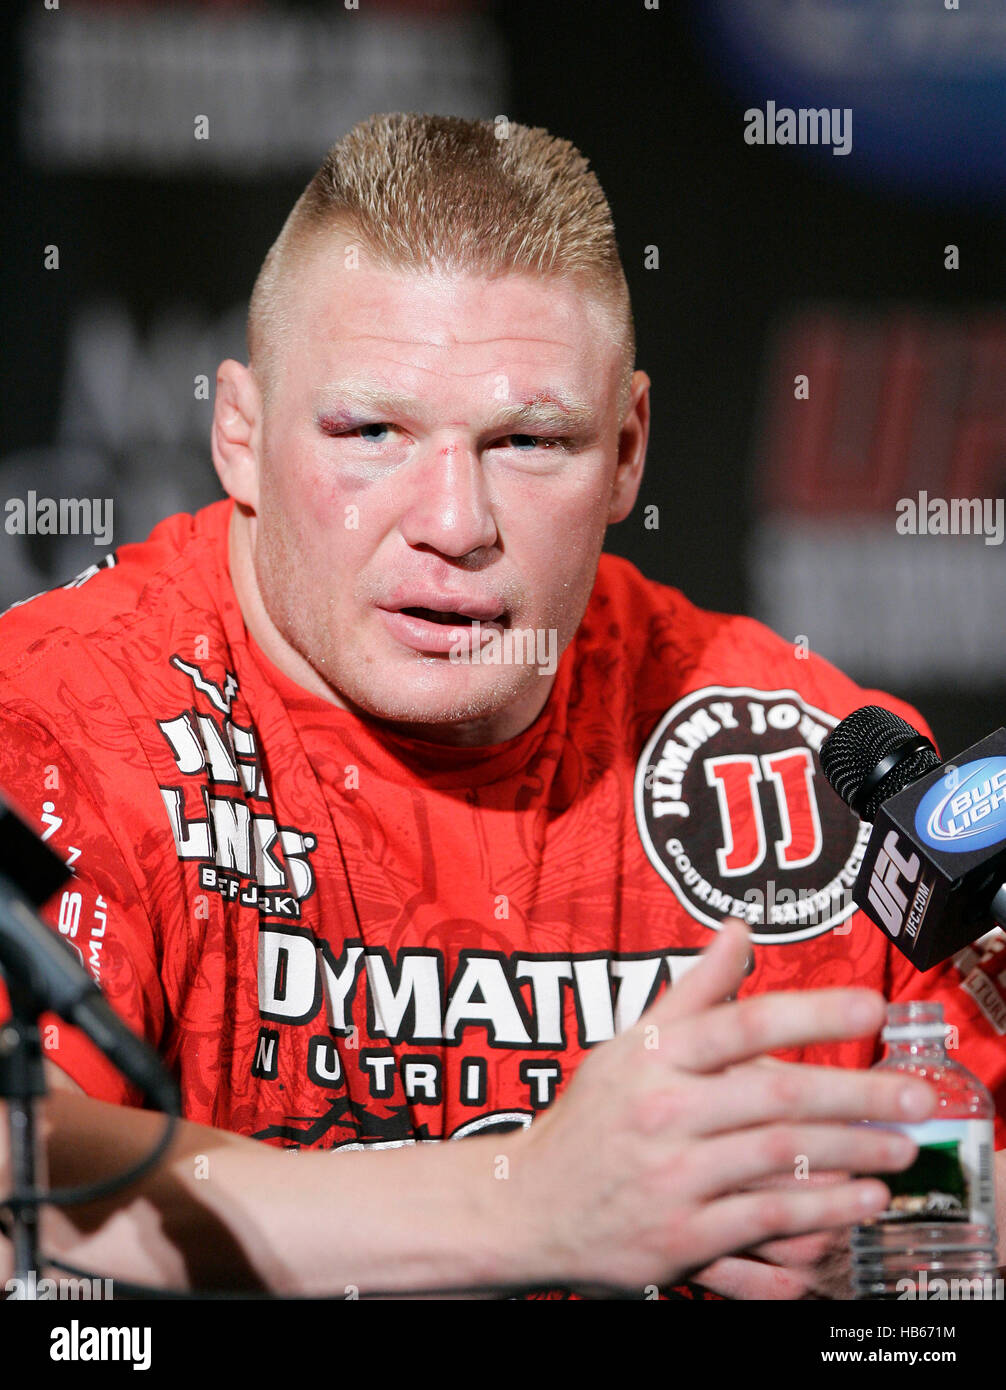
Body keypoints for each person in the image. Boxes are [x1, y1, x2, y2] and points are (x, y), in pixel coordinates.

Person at [0, 113, 1002, 1300]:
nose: (454, 521)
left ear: (627, 449)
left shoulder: (797, 760)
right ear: (240, 436)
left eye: (529, 440)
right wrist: (529, 1205)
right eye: (370, 432)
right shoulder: (69, 713)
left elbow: (953, 1212)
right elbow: (24, 1165)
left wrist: (869, 1240)